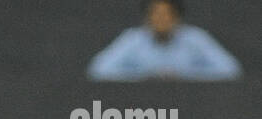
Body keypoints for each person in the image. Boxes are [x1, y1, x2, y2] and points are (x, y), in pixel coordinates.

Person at [87, 0, 241, 80]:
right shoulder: (133, 40)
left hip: (192, 104)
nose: (161, 20)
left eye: (167, 15)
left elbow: (230, 69)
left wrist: (183, 76)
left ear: (177, 17)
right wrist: (146, 77)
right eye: (156, 14)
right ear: (147, 17)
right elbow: (98, 69)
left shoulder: (195, 39)